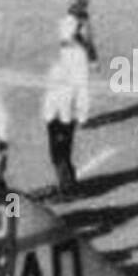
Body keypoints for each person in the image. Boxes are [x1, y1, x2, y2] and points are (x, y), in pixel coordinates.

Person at [42, 35, 91, 198]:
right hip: (65, 120)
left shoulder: (61, 78)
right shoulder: (72, 76)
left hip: (59, 121)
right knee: (63, 154)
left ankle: (67, 187)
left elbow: (51, 101)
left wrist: (48, 116)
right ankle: (68, 183)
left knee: (58, 155)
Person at [67, 0, 99, 69]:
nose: (86, 4)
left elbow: (86, 26)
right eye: (84, 2)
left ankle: (92, 63)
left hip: (77, 34)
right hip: (75, 35)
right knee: (87, 47)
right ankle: (92, 63)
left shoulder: (81, 12)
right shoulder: (76, 11)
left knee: (88, 47)